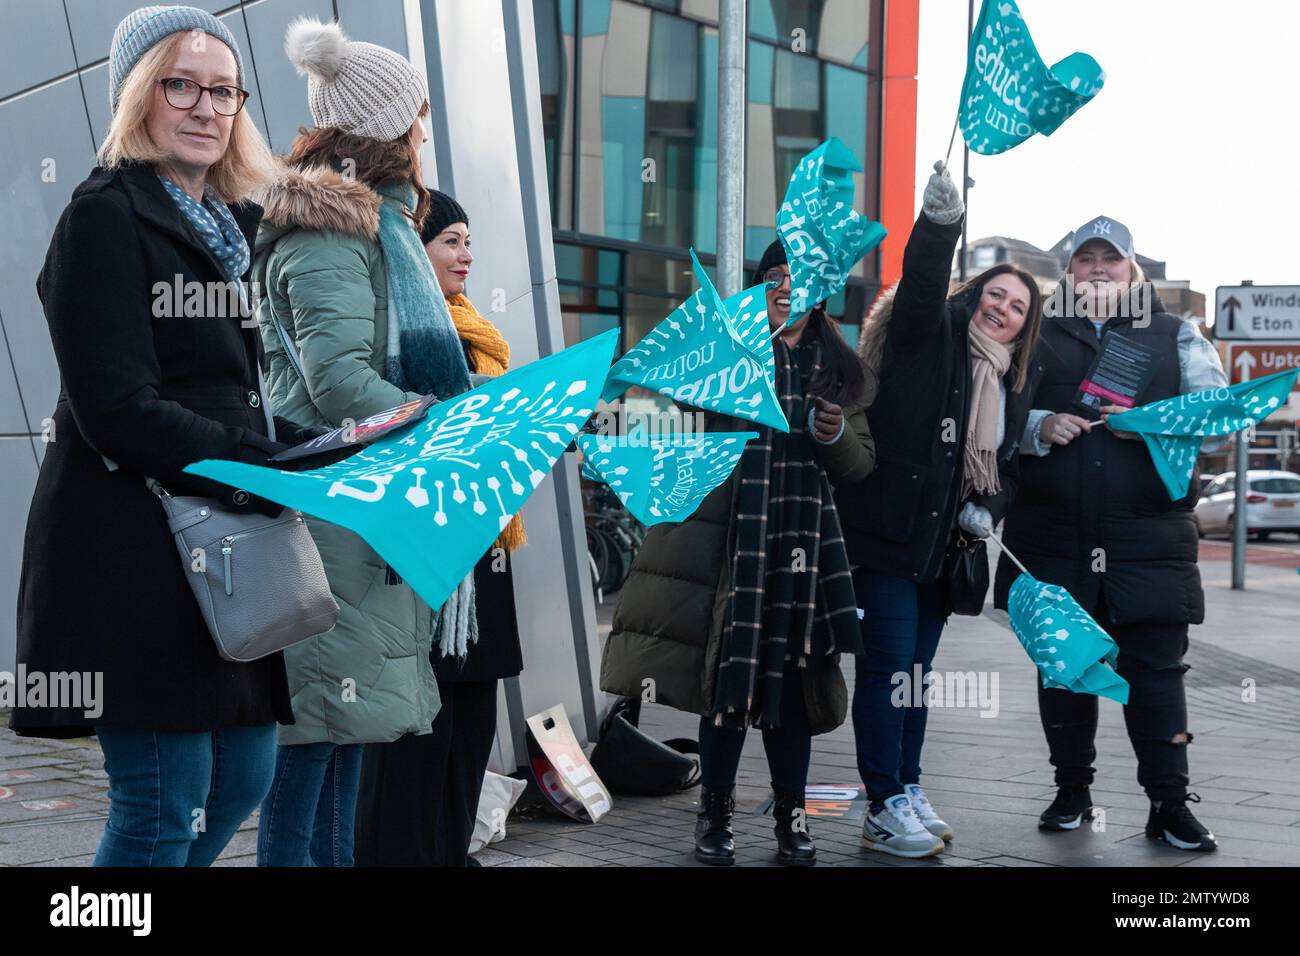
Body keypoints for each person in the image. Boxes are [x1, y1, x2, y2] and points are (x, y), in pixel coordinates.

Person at [8, 5, 326, 866]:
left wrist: (334, 441)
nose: (205, 107)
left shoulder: (227, 233)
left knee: (242, 780)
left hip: (224, 557)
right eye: (179, 85)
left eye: (223, 90)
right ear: (137, 98)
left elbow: (229, 401)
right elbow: (118, 407)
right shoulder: (103, 218)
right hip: (132, 556)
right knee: (160, 803)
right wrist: (267, 464)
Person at [250, 18, 471, 866]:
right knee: (308, 764)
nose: (423, 135)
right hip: (330, 522)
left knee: (341, 759)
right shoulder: (327, 235)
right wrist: (447, 425)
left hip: (363, 515)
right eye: (415, 119)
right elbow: (339, 381)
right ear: (380, 132)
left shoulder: (377, 234)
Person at [601, 241, 875, 866]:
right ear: (759, 286)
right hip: (727, 549)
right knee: (725, 688)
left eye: (801, 280)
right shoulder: (725, 353)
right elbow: (670, 424)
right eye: (776, 277)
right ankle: (715, 816)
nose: (787, 289)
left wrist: (833, 437)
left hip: (802, 549)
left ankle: (793, 821)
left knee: (795, 698)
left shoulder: (841, 370)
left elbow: (861, 466)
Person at [995, 215, 1227, 852]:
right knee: (1063, 670)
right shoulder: (1030, 335)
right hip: (1051, 535)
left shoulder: (1179, 335)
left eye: (1111, 260)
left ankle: (1170, 804)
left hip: (1147, 541)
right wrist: (1038, 426)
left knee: (1155, 674)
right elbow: (985, 415)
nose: (1098, 269)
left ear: (1133, 271)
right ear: (1069, 272)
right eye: (1086, 259)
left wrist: (1152, 423)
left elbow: (1217, 426)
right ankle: (1072, 790)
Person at [837, 161, 1044, 858]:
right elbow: (923, 282)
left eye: (1018, 306)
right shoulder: (932, 334)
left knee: (916, 680)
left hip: (944, 553)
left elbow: (1006, 468)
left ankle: (907, 785)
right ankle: (881, 801)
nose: (1003, 309)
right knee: (889, 672)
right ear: (976, 292)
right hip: (887, 538)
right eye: (996, 294)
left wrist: (989, 503)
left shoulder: (1010, 381)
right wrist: (940, 224)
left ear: (1025, 324)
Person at [353, 190, 526, 867]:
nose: (466, 254)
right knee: (415, 734)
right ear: (414, 250)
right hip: (424, 558)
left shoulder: (478, 332)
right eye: (450, 240)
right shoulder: (398, 332)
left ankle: (450, 852)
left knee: (471, 725)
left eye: (467, 240)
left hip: (487, 553)